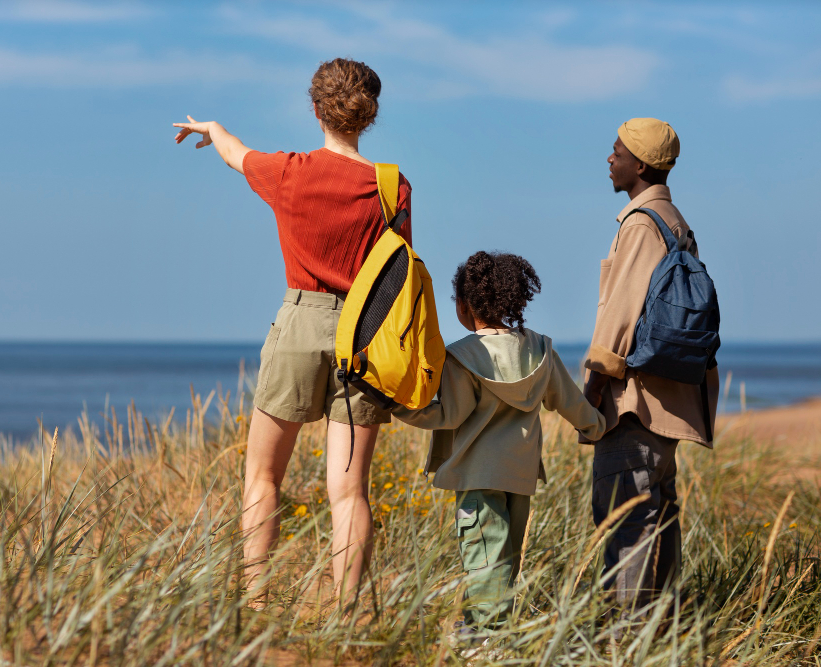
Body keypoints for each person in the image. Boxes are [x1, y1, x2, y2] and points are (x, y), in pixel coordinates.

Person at [172, 58, 412, 603]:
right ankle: (345, 615)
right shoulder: (393, 187)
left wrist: (212, 128)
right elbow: (398, 268)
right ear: (370, 113)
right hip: (365, 335)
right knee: (350, 493)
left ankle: (256, 603)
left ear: (316, 109)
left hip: (301, 321)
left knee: (263, 477)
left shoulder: (291, 172)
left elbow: (235, 154)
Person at [394, 251, 605, 641]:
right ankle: (484, 632)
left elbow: (447, 415)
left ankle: (487, 641)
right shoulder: (539, 349)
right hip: (520, 476)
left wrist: (396, 405)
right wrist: (596, 427)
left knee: (484, 559)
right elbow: (570, 401)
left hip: (478, 474)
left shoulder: (462, 357)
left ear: (464, 305)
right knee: (505, 562)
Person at [582, 118, 719, 611]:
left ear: (640, 165)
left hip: (633, 406)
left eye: (617, 152)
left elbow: (619, 316)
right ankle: (662, 630)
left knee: (625, 524)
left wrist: (592, 392)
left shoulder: (641, 223)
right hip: (668, 405)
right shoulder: (675, 221)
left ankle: (626, 638)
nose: (609, 159)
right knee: (659, 521)